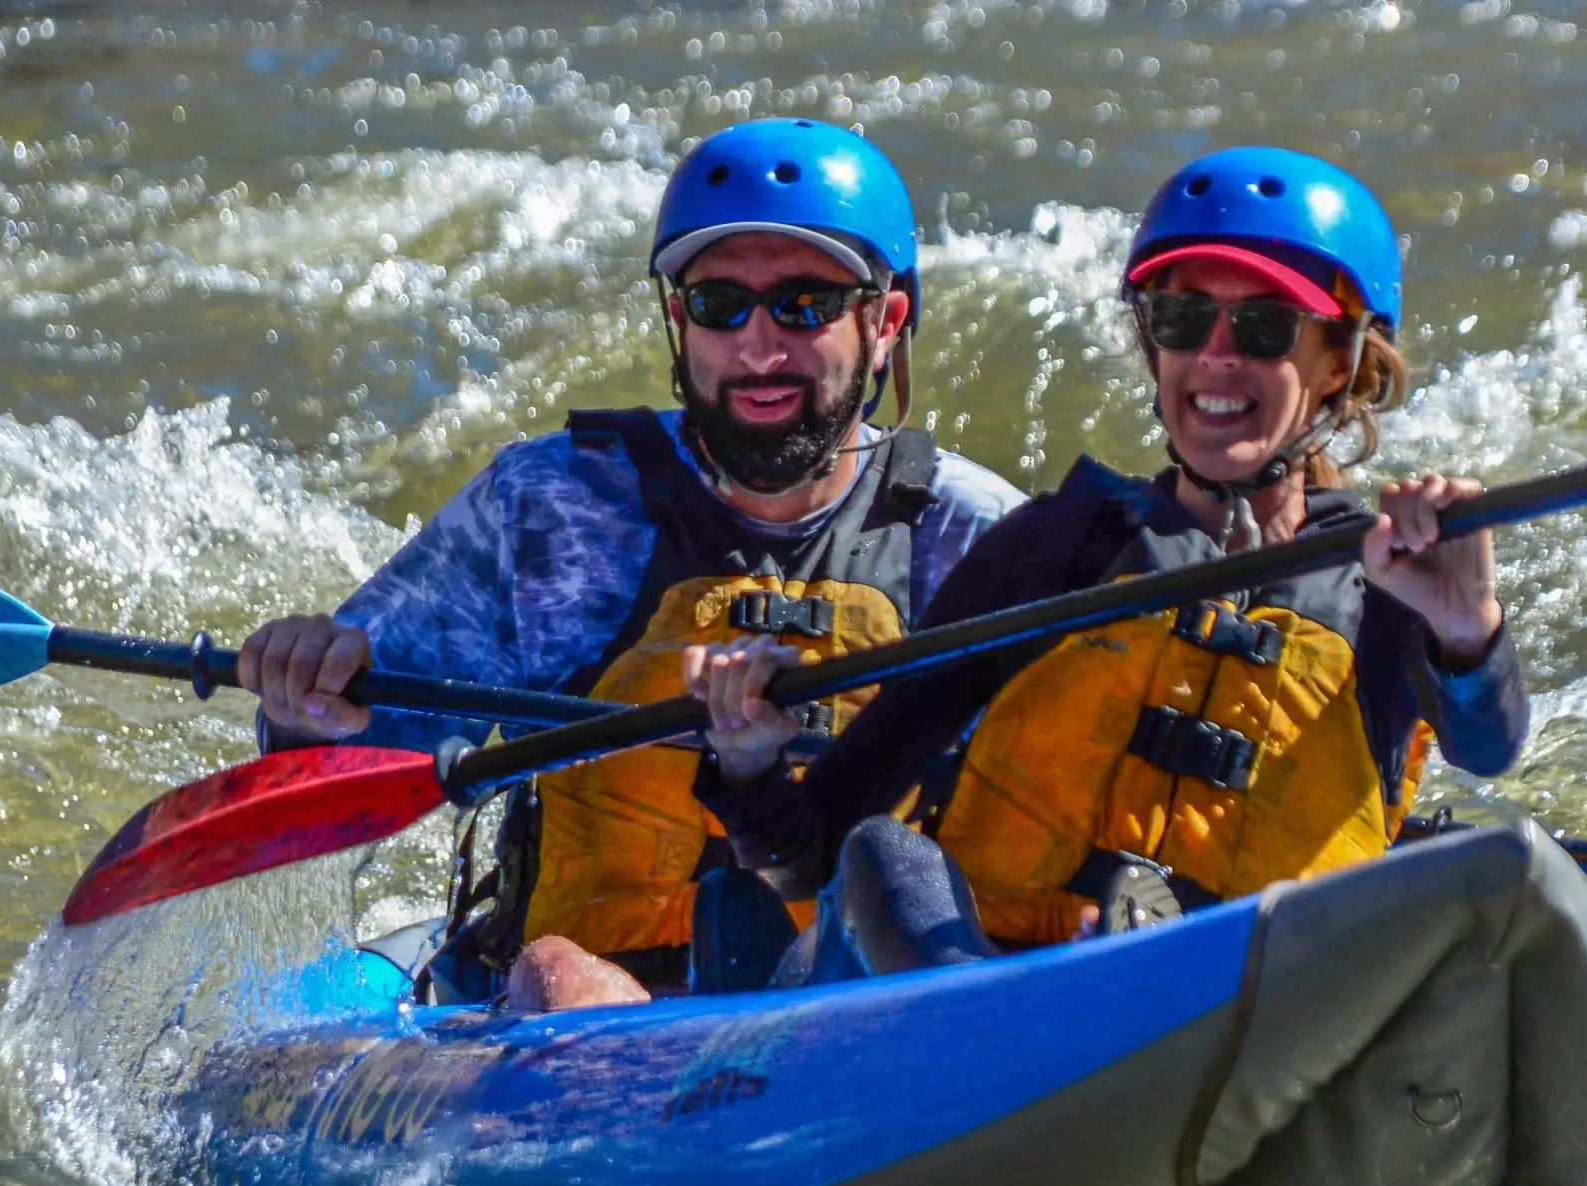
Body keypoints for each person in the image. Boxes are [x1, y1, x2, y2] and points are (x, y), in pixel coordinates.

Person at [682, 146, 1528, 981]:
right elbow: (815, 852)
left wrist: (1467, 633)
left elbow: (1488, 747)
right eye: (1183, 320)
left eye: (1266, 328)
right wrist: (748, 768)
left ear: (1340, 362)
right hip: (988, 999)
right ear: (1153, 344)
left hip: (1237, 1023)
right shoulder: (1057, 550)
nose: (1217, 356)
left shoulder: (1385, 584)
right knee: (880, 853)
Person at [237, 118, 1024, 1008]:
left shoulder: (976, 536)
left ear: (885, 323)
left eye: (805, 304)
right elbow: (347, 777)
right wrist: (305, 696)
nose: (759, 347)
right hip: (595, 1016)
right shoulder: (554, 511)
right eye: (721, 304)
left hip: (855, 1002)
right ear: (677, 317)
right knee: (555, 974)